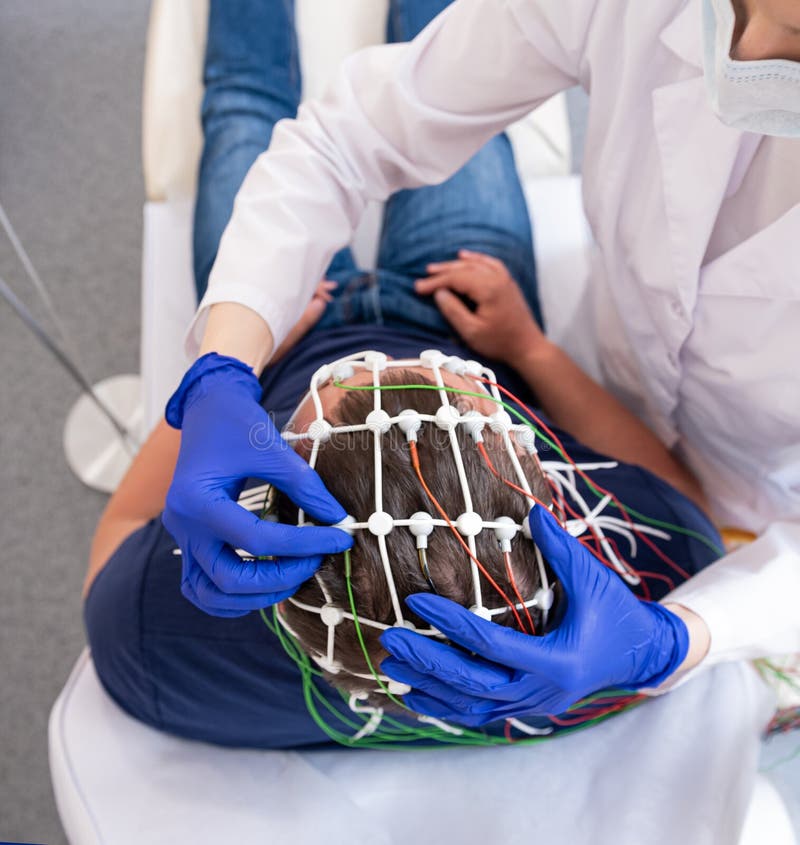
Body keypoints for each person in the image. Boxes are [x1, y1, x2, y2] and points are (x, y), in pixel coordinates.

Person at [83, 0, 724, 747]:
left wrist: (222, 375)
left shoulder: (162, 648)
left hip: (281, 339)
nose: (375, 363)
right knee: (443, 42)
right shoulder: (616, 634)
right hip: (464, 308)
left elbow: (123, 527)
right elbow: (686, 499)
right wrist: (527, 350)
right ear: (539, 482)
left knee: (240, 106)